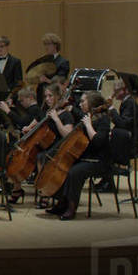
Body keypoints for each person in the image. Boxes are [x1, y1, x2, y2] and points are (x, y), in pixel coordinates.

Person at [48, 91, 111, 220]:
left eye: (83, 101)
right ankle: (62, 203)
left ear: (92, 103)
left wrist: (88, 125)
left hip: (99, 161)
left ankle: (71, 208)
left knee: (74, 172)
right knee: (64, 168)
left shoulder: (103, 119)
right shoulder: (89, 116)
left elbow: (98, 141)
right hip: (86, 158)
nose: (80, 103)